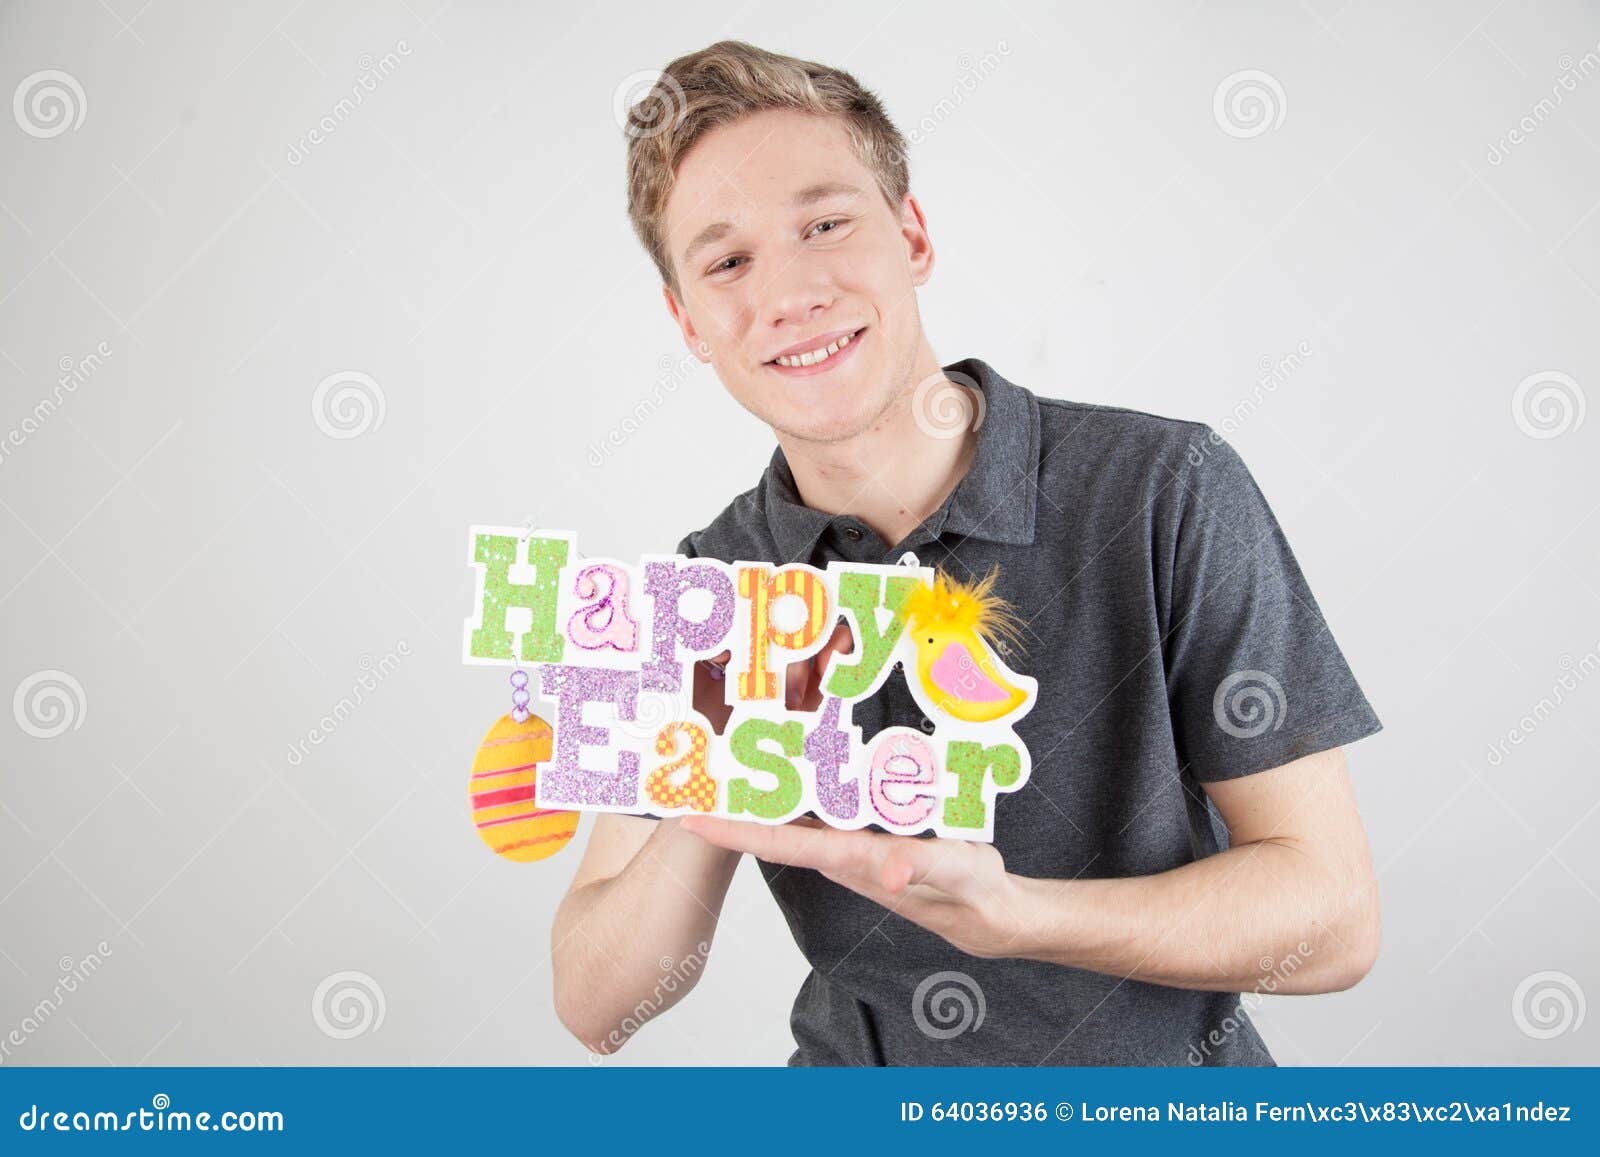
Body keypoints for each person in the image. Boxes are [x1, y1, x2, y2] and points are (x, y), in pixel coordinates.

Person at [551, 39, 1383, 1066]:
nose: (790, 290)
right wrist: (718, 783)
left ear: (911, 235)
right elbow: (596, 1003)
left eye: (825, 223)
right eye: (727, 260)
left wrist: (1021, 914)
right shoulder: (703, 586)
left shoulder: (1163, 485)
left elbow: (1333, 917)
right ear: (689, 322)